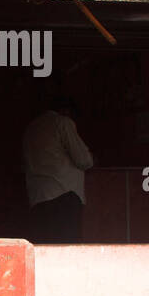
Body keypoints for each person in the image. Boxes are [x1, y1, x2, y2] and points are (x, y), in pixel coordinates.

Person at [22, 97, 94, 243]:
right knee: (67, 250)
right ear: (67, 111)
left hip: (37, 198)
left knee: (44, 249)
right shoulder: (62, 123)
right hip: (64, 196)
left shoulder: (31, 128)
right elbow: (84, 160)